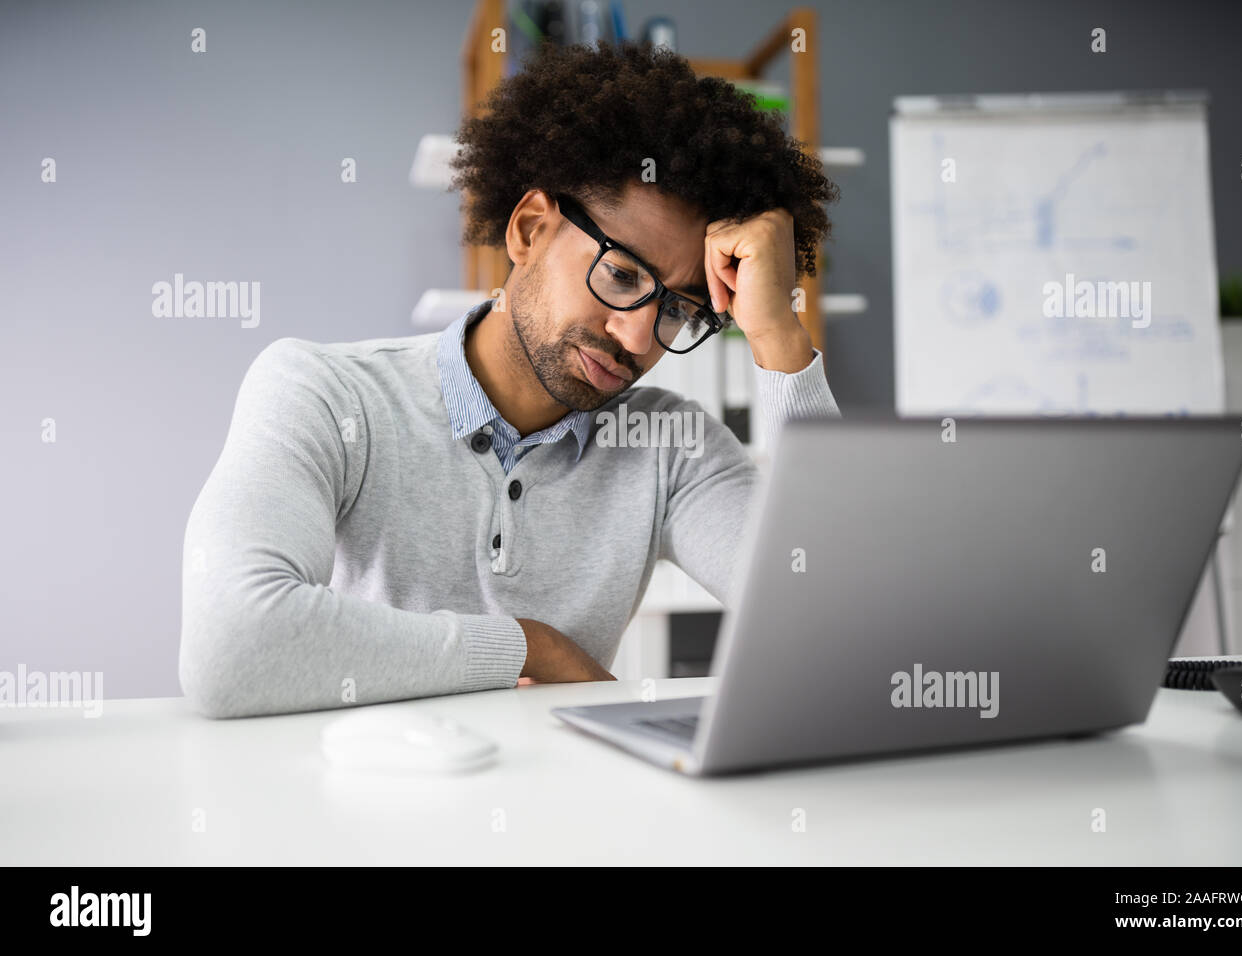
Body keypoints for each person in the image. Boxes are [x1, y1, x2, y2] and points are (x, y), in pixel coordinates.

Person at [179, 40, 841, 718]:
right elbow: (231, 647)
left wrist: (778, 337)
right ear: (528, 229)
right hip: (367, 806)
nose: (639, 338)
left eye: (678, 308)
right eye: (621, 275)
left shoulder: (669, 446)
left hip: (572, 817)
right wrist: (528, 650)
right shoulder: (325, 393)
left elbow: (839, 629)